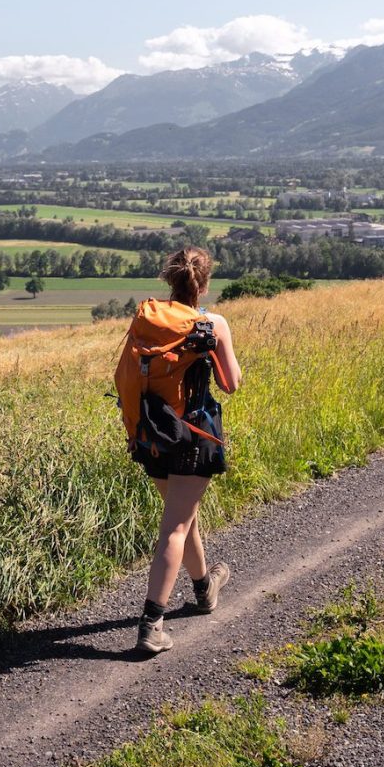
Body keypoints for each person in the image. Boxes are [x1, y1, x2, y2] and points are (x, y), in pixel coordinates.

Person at [133, 246, 242, 655]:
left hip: (152, 431)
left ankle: (204, 589)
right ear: (205, 282)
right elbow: (231, 383)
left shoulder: (149, 318)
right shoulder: (212, 323)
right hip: (193, 434)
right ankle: (152, 624)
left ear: (169, 280)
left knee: (184, 518)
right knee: (175, 528)